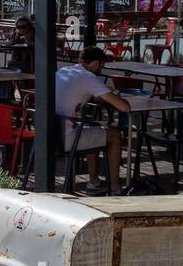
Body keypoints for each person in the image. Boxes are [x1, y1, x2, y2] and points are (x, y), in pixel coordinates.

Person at [55, 46, 130, 195]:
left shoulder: (63, 71)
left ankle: (94, 182)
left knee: (92, 130)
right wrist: (116, 95)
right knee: (114, 135)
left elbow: (88, 94)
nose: (101, 70)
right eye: (102, 66)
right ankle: (115, 188)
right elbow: (124, 108)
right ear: (96, 63)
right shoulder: (89, 78)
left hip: (48, 135)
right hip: (65, 138)